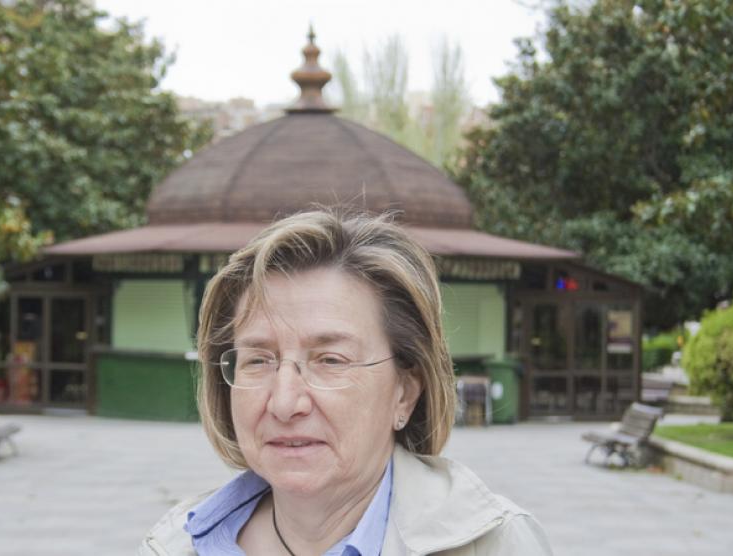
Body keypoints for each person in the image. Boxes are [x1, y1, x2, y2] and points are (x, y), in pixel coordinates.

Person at [142, 210, 553, 555]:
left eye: (330, 360)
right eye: (258, 359)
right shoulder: (173, 544)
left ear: (405, 393)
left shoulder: (497, 544)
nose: (285, 403)